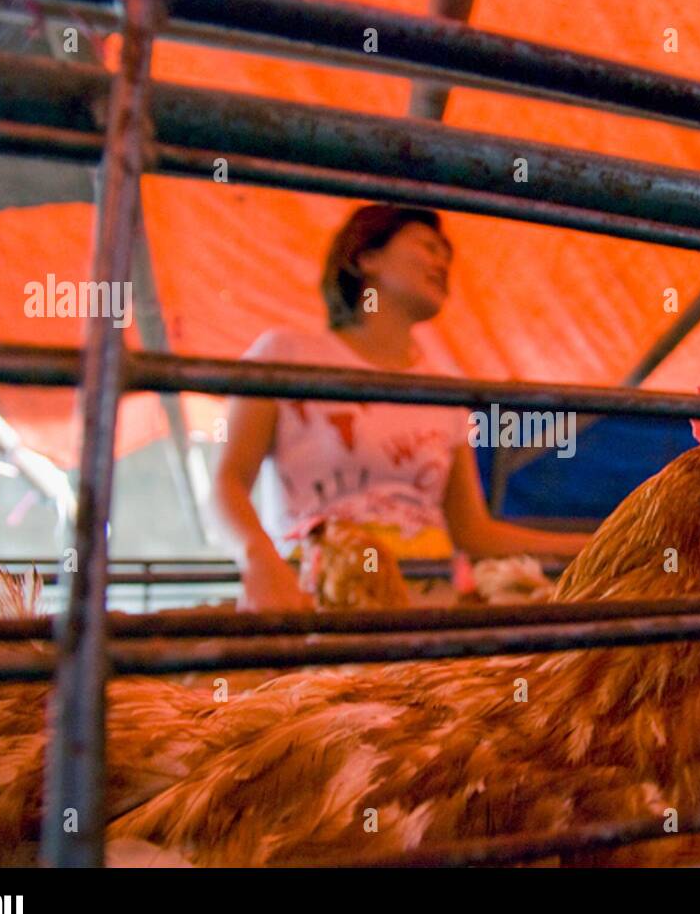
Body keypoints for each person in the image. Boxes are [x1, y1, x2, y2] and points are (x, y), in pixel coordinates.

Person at [213, 203, 589, 612]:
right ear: (366, 257)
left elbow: (473, 532)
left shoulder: (444, 391)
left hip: (423, 612)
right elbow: (228, 481)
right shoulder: (285, 355)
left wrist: (596, 544)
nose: (443, 262)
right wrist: (258, 558)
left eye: (447, 254)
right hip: (320, 600)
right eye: (428, 247)